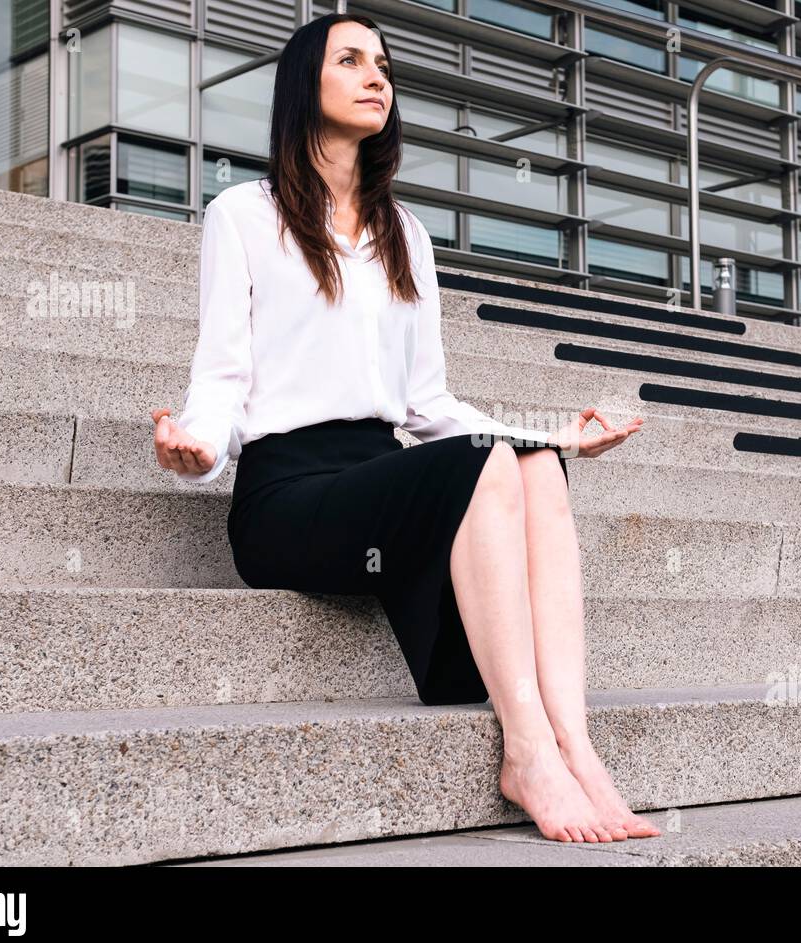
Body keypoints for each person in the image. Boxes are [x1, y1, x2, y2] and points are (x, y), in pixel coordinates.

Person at [150, 13, 657, 845]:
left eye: (382, 64)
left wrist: (558, 440)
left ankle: (577, 746)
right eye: (350, 61)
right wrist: (197, 450)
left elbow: (431, 404)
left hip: (383, 481)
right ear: (303, 86)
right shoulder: (243, 213)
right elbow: (224, 373)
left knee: (530, 468)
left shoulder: (405, 235)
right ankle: (527, 750)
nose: (375, 76)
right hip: (289, 493)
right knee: (489, 464)